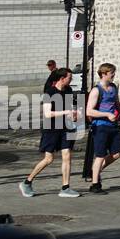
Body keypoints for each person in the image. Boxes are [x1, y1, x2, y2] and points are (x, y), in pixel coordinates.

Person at [19, 67, 80, 198]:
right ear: (62, 79)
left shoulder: (69, 91)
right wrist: (65, 112)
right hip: (51, 129)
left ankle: (65, 187)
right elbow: (48, 113)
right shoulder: (49, 93)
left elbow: (70, 109)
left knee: (67, 155)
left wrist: (74, 115)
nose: (71, 80)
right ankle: (27, 182)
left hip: (66, 128)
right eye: (70, 77)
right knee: (48, 159)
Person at [86, 62, 120, 194]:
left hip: (113, 126)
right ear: (104, 74)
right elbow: (89, 111)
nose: (113, 75)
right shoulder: (96, 90)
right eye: (111, 73)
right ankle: (95, 185)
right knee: (100, 155)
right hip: (100, 126)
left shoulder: (113, 87)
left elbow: (117, 103)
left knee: (116, 154)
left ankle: (95, 172)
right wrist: (107, 114)